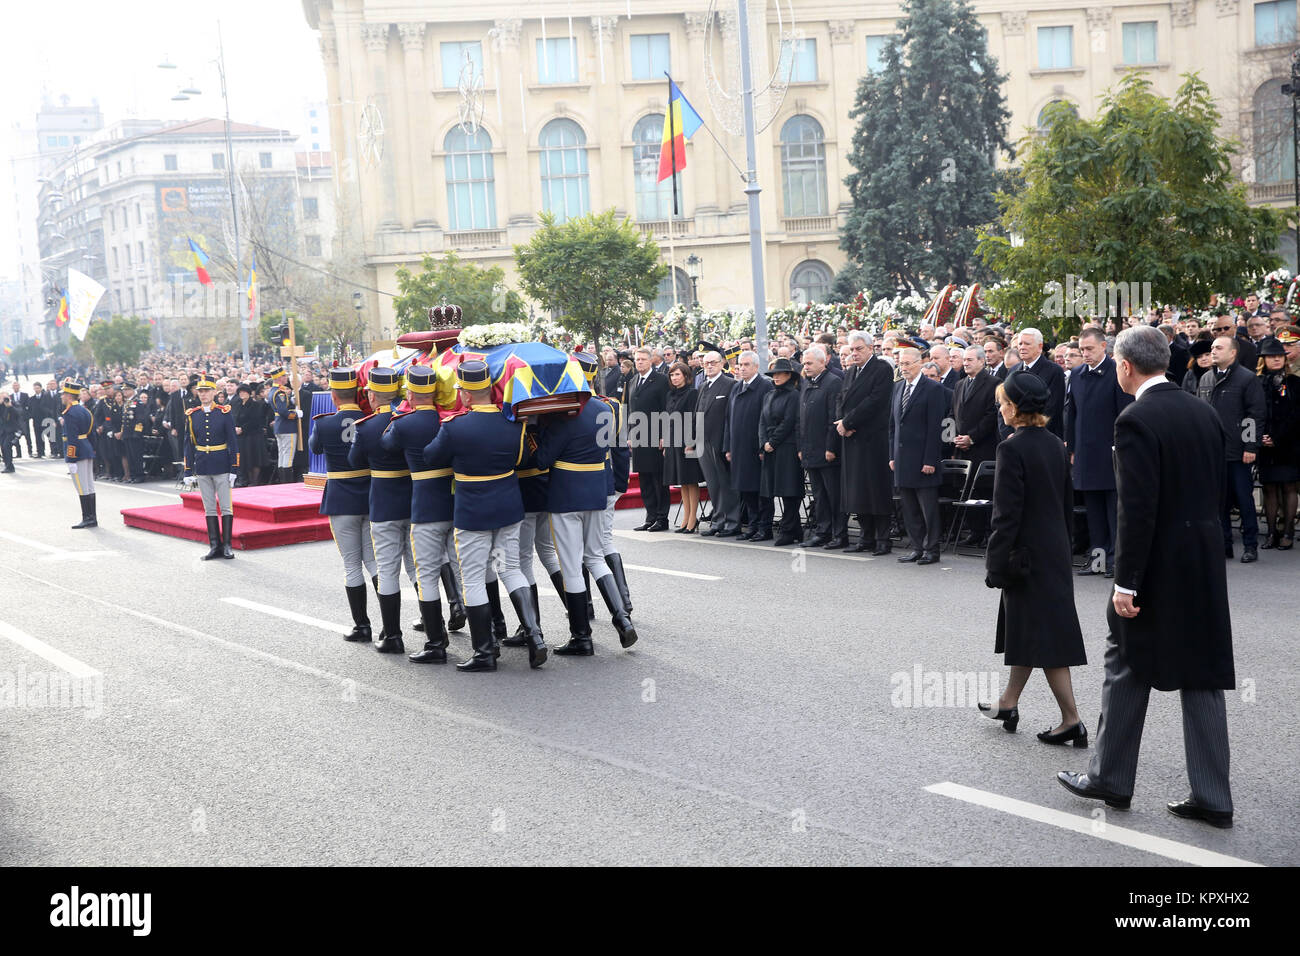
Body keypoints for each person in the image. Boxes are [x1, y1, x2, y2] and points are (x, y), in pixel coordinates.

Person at [1059, 326, 1236, 828]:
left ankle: (1110, 777)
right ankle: (1213, 795)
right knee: (1202, 672)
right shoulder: (1203, 410)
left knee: (1126, 661)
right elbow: (1216, 491)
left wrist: (1126, 581)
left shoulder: (1134, 418)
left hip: (1157, 564)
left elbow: (1136, 510)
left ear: (1125, 366)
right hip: (1201, 558)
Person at [980, 370, 1087, 743]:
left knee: (1047, 638)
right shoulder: (1056, 443)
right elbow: (1065, 505)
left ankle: (1072, 719)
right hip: (1053, 551)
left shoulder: (1011, 447)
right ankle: (1008, 702)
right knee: (1028, 629)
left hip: (1024, 557)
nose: (1000, 409)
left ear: (1014, 408)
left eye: (1002, 403)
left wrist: (995, 564)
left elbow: (1006, 515)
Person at [423, 360, 536, 672]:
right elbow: (523, 458)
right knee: (510, 569)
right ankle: (535, 635)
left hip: (474, 512)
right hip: (509, 507)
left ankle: (485, 652)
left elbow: (431, 455)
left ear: (468, 395)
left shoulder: (455, 426)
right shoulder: (513, 424)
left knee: (473, 578)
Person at [529, 354, 637, 657]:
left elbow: (542, 460)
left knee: (572, 565)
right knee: (596, 556)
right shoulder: (606, 408)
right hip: (598, 492)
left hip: (567, 495)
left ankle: (581, 636)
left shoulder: (563, 415)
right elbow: (617, 448)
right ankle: (622, 619)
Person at [380, 365, 460, 664]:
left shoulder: (404, 423)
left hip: (425, 505)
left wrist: (398, 413)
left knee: (426, 574)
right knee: (463, 569)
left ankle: (436, 643)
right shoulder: (449, 419)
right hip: (454, 501)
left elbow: (387, 445)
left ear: (410, 393)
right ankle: (485, 631)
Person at [308, 367, 379, 644]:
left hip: (341, 498)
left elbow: (314, 449)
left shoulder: (324, 423)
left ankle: (362, 626)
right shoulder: (369, 418)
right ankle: (390, 625)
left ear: (334, 396)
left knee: (352, 565)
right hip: (371, 496)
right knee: (373, 561)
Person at [348, 367, 416, 654]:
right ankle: (436, 630)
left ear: (373, 396)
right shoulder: (408, 420)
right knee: (419, 568)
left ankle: (393, 635)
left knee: (387, 570)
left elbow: (354, 461)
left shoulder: (366, 426)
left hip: (384, 503)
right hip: (413, 499)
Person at [1065, 328, 1133, 576]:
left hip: (1111, 453)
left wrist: (1121, 449)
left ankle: (1116, 561)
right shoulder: (1077, 374)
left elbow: (1125, 414)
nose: (1085, 354)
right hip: (1085, 453)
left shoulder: (1116, 373)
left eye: (1090, 349)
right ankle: (1098, 560)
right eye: (1082, 349)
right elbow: (1071, 414)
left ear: (1104, 346)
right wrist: (1071, 447)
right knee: (1093, 512)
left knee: (1114, 511)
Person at [1199, 335, 1266, 562]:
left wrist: (1250, 446)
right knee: (1219, 503)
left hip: (1238, 453)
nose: (1213, 352)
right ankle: (1224, 544)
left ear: (1233, 353)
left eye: (1218, 348)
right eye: (1211, 348)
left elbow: (1254, 414)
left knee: (1245, 501)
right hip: (1214, 453)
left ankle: (1250, 546)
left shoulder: (1247, 379)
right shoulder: (1206, 379)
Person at [837, 331, 895, 555]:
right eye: (852, 349)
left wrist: (849, 421)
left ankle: (882, 538)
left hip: (872, 439)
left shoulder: (881, 369)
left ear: (871, 348)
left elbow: (875, 401)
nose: (854, 353)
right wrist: (841, 422)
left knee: (875, 489)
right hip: (852, 438)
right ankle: (865, 536)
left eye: (859, 349)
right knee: (857, 491)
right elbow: (841, 398)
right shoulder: (850, 371)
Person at [890, 348, 947, 564]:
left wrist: (930, 460)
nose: (903, 368)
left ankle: (931, 549)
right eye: (901, 364)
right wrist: (892, 455)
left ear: (919, 363)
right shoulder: (897, 388)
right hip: (902, 458)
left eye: (908, 364)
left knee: (928, 509)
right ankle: (916, 547)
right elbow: (892, 426)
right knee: (910, 508)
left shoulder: (933, 388)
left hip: (924, 459)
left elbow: (934, 428)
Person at [182, 378, 240, 560]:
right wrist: (188, 470)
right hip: (203, 464)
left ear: (215, 392)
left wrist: (234, 468)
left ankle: (228, 545)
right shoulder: (193, 414)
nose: (204, 394)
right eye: (201, 391)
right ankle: (215, 545)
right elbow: (189, 444)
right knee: (209, 508)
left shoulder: (224, 413)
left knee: (225, 506)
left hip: (221, 463)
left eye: (207, 391)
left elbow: (232, 442)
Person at [798, 345, 844, 548]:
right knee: (819, 495)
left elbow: (833, 419)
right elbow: (800, 420)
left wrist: (831, 448)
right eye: (804, 363)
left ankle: (839, 534)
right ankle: (823, 531)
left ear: (823, 362)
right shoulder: (807, 383)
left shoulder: (833, 383)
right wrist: (800, 447)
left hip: (826, 451)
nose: (805, 367)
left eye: (809, 363)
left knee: (834, 495)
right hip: (809, 450)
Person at [1257, 338, 1300, 549]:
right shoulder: (1257, 382)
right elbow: (1253, 412)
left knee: (1289, 487)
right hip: (1264, 445)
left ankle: (1288, 532)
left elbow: (1295, 415)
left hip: (1288, 444)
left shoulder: (1294, 382)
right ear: (1263, 360)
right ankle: (1271, 532)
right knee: (1269, 488)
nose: (1276, 359)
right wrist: (1261, 437)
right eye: (1271, 356)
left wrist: (1277, 437)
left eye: (1279, 356)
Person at [726, 351, 773, 538]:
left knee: (761, 491)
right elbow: (728, 420)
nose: (742, 368)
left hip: (756, 448)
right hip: (738, 447)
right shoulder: (737, 387)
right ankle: (752, 526)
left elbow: (768, 419)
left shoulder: (765, 386)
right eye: (740, 364)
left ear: (755, 366)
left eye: (746, 365)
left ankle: (764, 527)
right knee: (746, 490)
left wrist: (763, 446)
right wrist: (727, 446)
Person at [695, 351, 741, 537]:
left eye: (713, 362)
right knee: (713, 484)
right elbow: (697, 413)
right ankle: (718, 520)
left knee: (726, 483)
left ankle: (732, 522)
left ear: (722, 363)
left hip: (721, 441)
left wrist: (728, 443)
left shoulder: (730, 384)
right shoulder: (703, 385)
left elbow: (732, 416)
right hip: (703, 440)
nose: (709, 366)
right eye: (706, 363)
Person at [759, 357, 803, 546]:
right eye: (774, 374)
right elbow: (762, 421)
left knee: (789, 490)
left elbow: (789, 421)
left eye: (779, 374)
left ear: (788, 375)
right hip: (770, 447)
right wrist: (764, 443)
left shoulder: (794, 395)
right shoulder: (768, 395)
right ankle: (794, 529)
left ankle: (789, 529)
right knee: (773, 489)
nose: (776, 377)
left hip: (787, 447)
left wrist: (773, 442)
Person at [626, 347, 670, 532]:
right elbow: (630, 409)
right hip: (638, 436)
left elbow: (667, 409)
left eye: (643, 359)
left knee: (658, 479)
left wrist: (664, 436)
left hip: (656, 436)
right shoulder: (633, 380)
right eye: (637, 359)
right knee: (644, 479)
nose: (640, 362)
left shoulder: (661, 380)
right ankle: (650, 516)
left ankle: (662, 518)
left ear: (651, 360)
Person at [663, 361, 703, 532]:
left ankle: (693, 518)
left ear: (686, 377)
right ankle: (686, 518)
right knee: (682, 482)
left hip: (686, 442)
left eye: (678, 374)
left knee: (690, 480)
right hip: (673, 441)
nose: (674, 378)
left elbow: (693, 420)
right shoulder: (670, 395)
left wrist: (691, 442)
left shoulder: (692, 393)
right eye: (672, 375)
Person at [60, 380, 98, 529]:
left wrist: (71, 458)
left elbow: (72, 438)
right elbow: (92, 432)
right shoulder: (84, 410)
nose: (62, 397)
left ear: (69, 396)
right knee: (89, 485)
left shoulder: (69, 413)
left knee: (82, 486)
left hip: (78, 452)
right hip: (87, 449)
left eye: (63, 394)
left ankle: (87, 518)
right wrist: (93, 449)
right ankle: (92, 517)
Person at [1015, 328, 1066, 438]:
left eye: (1027, 344)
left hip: (1041, 437)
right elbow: (1004, 403)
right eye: (1020, 343)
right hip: (1013, 437)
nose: (1022, 347)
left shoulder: (1054, 371)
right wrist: (1010, 432)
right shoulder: (1013, 370)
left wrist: (1026, 433)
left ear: (1039, 347)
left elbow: (1052, 408)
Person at [269, 367, 299, 484]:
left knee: (283, 454)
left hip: (280, 426)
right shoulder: (279, 392)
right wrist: (296, 415)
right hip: (287, 426)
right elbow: (283, 412)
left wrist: (291, 401)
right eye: (284, 376)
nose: (286, 378)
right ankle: (287, 482)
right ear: (279, 378)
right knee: (288, 455)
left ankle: (283, 480)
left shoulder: (274, 390)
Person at [0, 392, 17, 472]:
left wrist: (10, 407)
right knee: (3, 447)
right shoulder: (1, 406)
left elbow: (18, 413)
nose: (4, 400)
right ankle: (7, 465)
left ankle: (10, 466)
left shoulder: (13, 404)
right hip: (3, 430)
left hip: (12, 430)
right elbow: (3, 417)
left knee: (7, 446)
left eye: (5, 397)